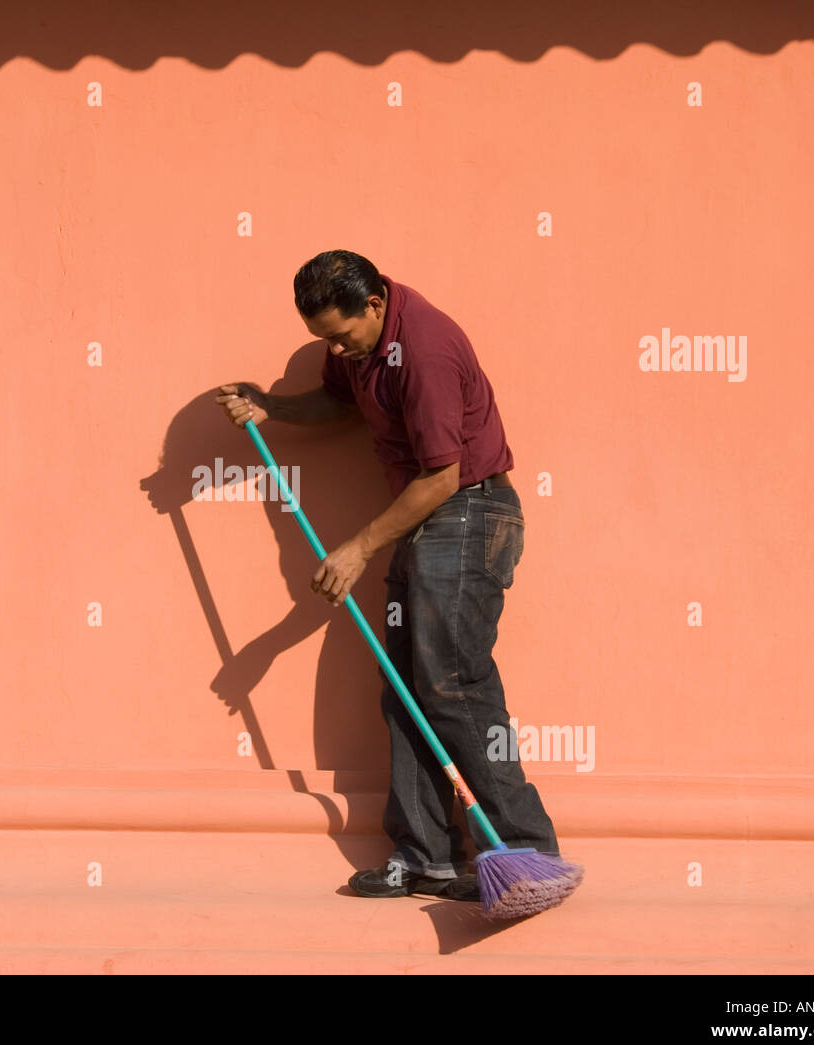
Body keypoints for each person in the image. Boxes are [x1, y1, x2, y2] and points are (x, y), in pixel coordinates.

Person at [215, 249, 561, 903]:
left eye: (342, 335)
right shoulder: (360, 348)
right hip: (421, 521)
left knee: (452, 683)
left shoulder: (424, 347)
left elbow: (444, 475)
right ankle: (425, 854)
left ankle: (528, 851)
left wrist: (358, 547)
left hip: (465, 513)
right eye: (324, 340)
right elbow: (337, 402)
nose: (337, 350)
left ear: (374, 305)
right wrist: (272, 407)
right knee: (404, 686)